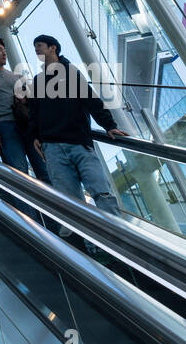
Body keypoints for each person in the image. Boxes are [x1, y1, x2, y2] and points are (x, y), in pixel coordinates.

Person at [24, 35, 125, 214]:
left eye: (39, 45)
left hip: (79, 143)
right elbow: (34, 111)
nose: (36, 49)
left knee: (102, 193)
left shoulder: (70, 72)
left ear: (53, 47)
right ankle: (88, 243)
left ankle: (119, 240)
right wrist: (34, 136)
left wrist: (109, 125)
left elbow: (90, 99)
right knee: (72, 204)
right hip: (52, 148)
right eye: (35, 47)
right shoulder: (38, 80)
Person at [0, 37, 47, 180]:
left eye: (4, 50)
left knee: (43, 169)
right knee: (19, 172)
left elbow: (32, 102)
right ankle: (24, 202)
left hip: (27, 124)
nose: (4, 53)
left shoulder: (18, 76)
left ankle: (54, 202)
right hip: (6, 126)